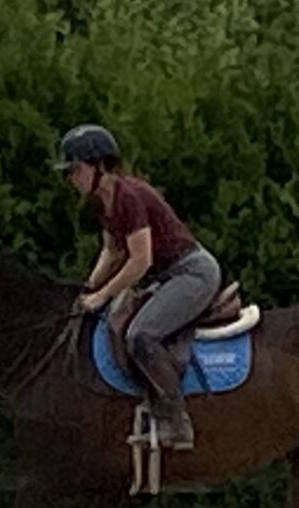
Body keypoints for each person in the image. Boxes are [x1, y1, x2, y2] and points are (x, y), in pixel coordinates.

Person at [54, 123, 221, 449]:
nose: (71, 178)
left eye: (76, 170)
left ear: (99, 166)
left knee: (141, 334)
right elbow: (112, 250)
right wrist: (88, 287)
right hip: (168, 277)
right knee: (116, 322)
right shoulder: (105, 201)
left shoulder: (129, 197)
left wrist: (102, 294)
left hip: (192, 274)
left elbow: (140, 261)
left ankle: (176, 421)